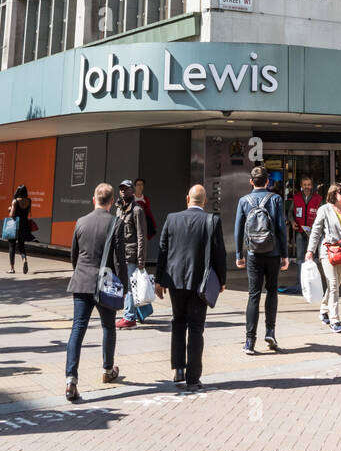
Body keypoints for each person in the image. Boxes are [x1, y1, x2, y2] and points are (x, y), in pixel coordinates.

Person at [154, 184, 227, 391]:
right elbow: (219, 253)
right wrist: (221, 280)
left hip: (175, 280)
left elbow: (162, 250)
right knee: (196, 328)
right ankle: (193, 378)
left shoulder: (172, 218)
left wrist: (159, 279)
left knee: (178, 322)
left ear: (188, 199)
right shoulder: (212, 220)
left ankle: (178, 370)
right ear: (204, 202)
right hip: (199, 282)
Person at [65, 182, 128, 402]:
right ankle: (107, 369)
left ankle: (71, 379)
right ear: (111, 202)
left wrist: (80, 274)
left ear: (94, 199)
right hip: (105, 285)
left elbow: (74, 255)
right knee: (108, 326)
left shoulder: (81, 222)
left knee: (77, 329)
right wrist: (124, 288)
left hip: (81, 281)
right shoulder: (116, 223)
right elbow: (120, 261)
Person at [234, 163, 289, 354]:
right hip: (272, 253)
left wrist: (239, 255)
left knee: (253, 295)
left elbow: (238, 229)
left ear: (251, 182)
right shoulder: (275, 199)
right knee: (272, 290)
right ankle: (270, 331)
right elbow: (281, 228)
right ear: (268, 181)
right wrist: (285, 255)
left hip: (253, 254)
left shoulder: (244, 201)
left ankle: (249, 341)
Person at [305, 182, 341, 333]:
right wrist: (310, 250)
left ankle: (324, 309)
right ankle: (334, 320)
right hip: (327, 252)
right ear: (333, 194)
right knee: (334, 284)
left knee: (334, 285)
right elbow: (315, 232)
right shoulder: (324, 210)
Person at [115, 179, 151, 328]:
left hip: (131, 255)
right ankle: (141, 312)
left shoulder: (137, 210)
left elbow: (142, 236)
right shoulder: (119, 209)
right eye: (121, 188)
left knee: (129, 287)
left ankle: (129, 317)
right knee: (132, 286)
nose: (123, 191)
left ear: (132, 191)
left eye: (127, 188)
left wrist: (141, 260)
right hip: (121, 254)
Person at [291, 176, 323, 263]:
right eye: (305, 184)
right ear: (301, 185)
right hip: (300, 230)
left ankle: (312, 276)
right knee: (300, 257)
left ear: (312, 186)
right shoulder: (296, 197)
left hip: (312, 231)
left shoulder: (318, 198)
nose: (306, 186)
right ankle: (300, 277)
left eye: (308, 185)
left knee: (312, 257)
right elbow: (290, 212)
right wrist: (292, 221)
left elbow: (322, 215)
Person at [7, 184, 35, 275]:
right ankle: (24, 260)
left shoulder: (15, 201)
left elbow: (12, 215)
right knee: (21, 245)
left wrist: (10, 209)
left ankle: (12, 268)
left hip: (15, 226)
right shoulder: (29, 201)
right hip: (24, 226)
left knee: (12, 246)